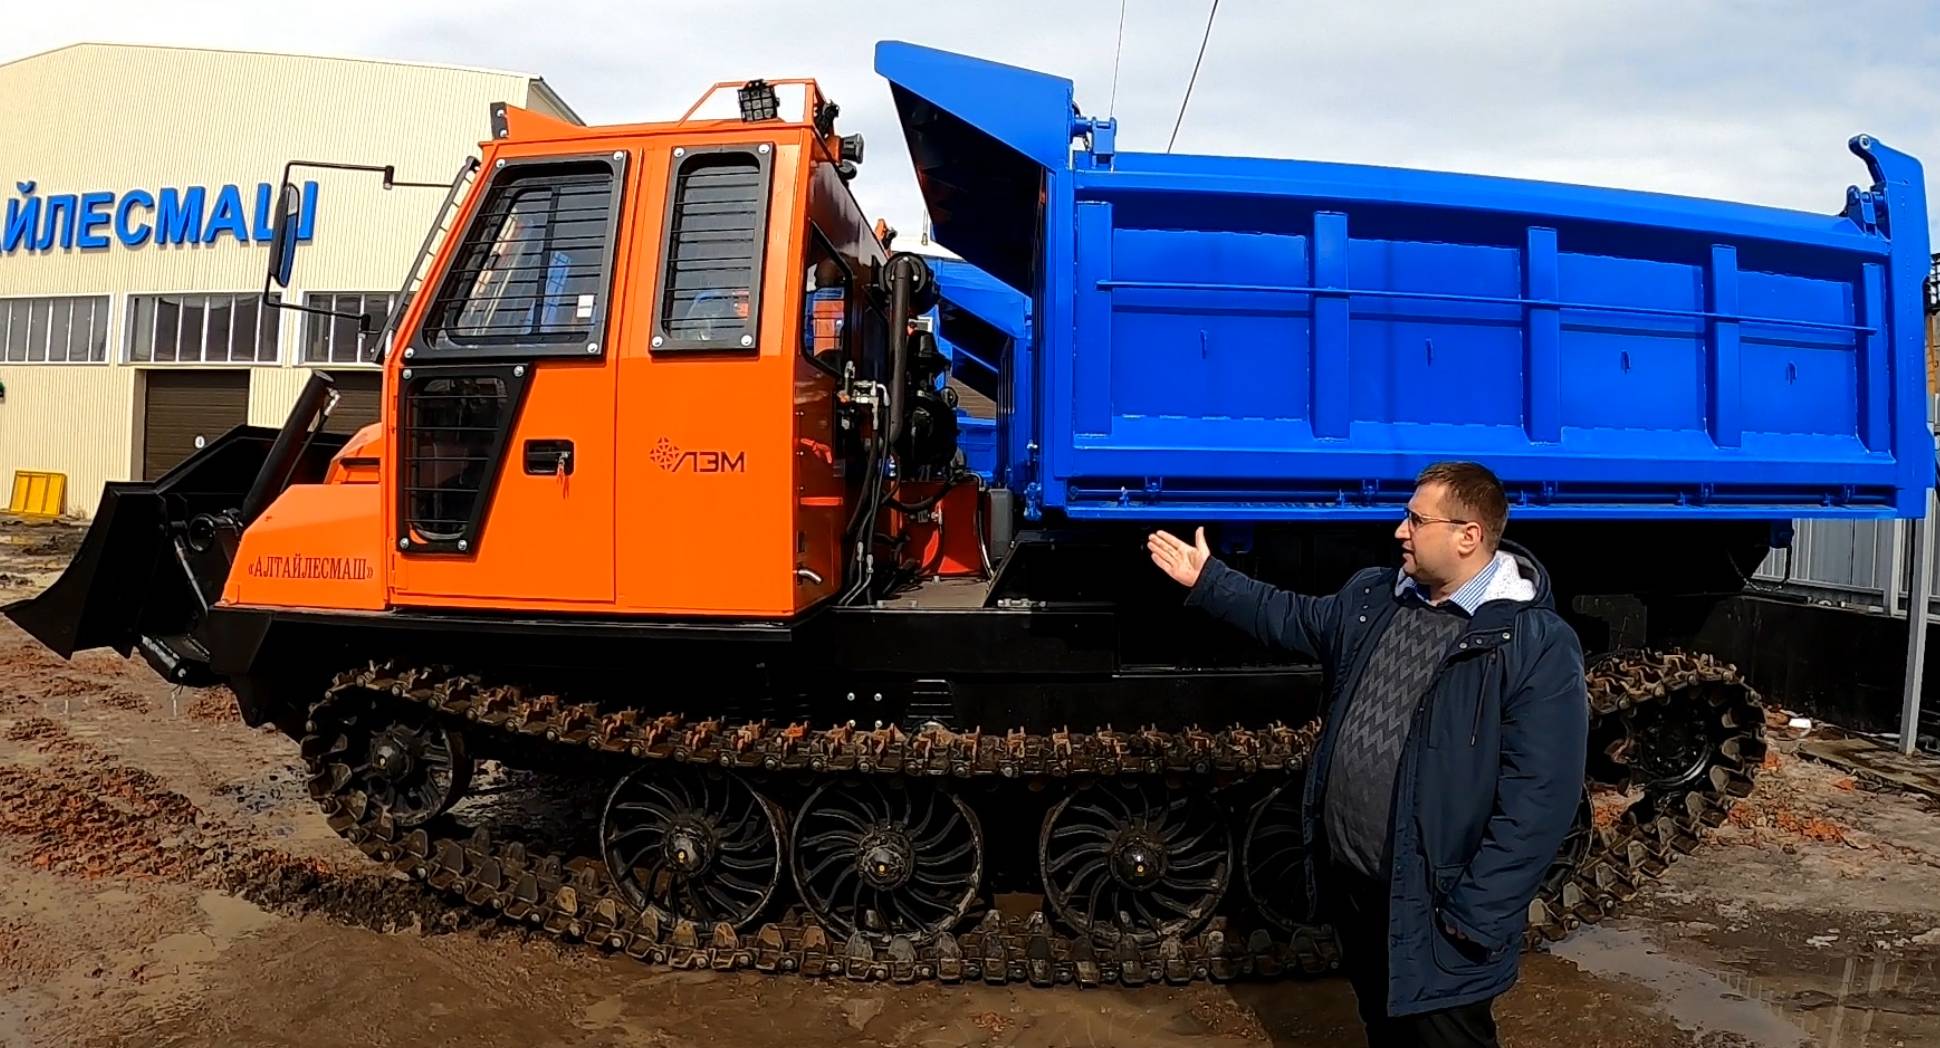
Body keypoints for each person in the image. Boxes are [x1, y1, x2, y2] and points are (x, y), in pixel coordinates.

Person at [1147, 461, 1587, 1048]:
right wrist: (1211, 579)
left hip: (1440, 909)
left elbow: (1540, 800)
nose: (1400, 530)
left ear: (1468, 535)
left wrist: (1474, 916)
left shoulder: (1533, 642)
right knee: (1384, 1030)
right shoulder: (1375, 598)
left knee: (1445, 1038)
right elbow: (1292, 617)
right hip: (1360, 890)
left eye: (1415, 519)